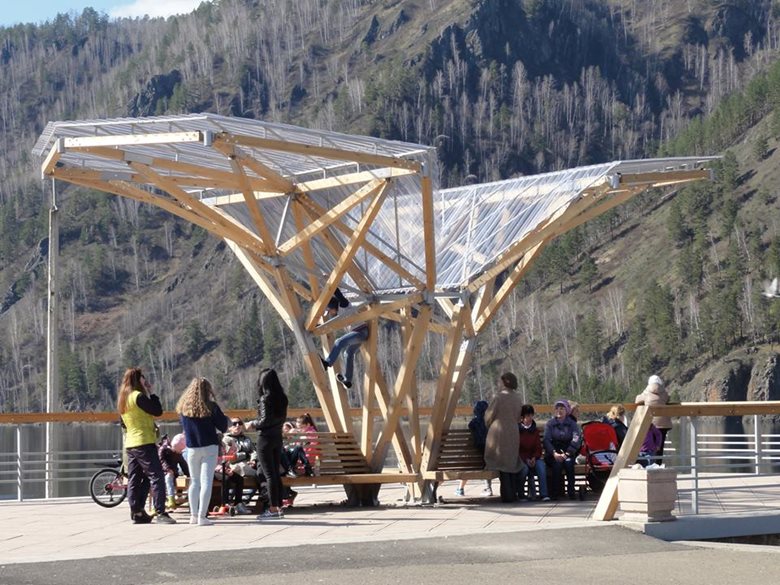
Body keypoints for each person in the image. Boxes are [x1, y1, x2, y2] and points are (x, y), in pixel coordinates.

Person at [117, 367, 176, 524]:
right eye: (143, 377)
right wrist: (151, 392)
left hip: (131, 443)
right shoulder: (138, 396)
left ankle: (137, 511)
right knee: (157, 475)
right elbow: (157, 411)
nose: (145, 380)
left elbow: (122, 422)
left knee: (135, 478)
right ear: (138, 379)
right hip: (144, 441)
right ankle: (160, 512)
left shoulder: (123, 398)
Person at [176, 377, 228, 526]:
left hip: (192, 448)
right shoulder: (211, 406)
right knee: (206, 482)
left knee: (194, 481)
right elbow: (223, 426)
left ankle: (193, 515)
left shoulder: (184, 408)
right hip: (209, 446)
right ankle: (202, 516)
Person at [245, 368, 289, 520]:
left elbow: (264, 421)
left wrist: (253, 424)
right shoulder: (282, 398)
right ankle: (278, 507)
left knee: (268, 474)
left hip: (265, 439)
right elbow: (279, 419)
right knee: (275, 474)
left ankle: (272, 508)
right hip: (277, 437)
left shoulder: (265, 399)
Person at [484, 372, 527, 503]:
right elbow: (519, 416)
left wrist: (489, 423)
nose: (498, 383)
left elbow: (489, 416)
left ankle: (507, 495)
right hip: (513, 432)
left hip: (498, 433)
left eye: (500, 381)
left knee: (501, 464)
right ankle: (512, 493)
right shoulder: (518, 397)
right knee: (510, 463)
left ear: (505, 382)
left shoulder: (498, 397)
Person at [320, 288, 368, 389]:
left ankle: (328, 362)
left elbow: (338, 293)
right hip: (357, 335)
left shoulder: (344, 305)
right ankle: (348, 380)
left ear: (333, 306)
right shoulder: (339, 314)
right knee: (348, 353)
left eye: (329, 311)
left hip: (360, 332)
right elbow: (330, 324)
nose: (330, 313)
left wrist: (330, 282)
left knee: (339, 341)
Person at [543, 399, 582, 500]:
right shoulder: (550, 424)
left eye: (562, 409)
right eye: (557, 409)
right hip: (554, 452)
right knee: (557, 464)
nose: (559, 411)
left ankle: (571, 492)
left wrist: (568, 453)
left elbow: (576, 438)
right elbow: (546, 440)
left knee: (569, 463)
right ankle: (556, 493)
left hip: (568, 451)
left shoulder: (572, 423)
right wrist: (554, 453)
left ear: (567, 411)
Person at [455, 400, 493, 497]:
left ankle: (460, 488)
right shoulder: (491, 424)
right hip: (490, 459)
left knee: (467, 461)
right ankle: (488, 488)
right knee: (486, 461)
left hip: (472, 460)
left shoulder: (472, 424)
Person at [222, 417, 258, 515]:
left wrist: (253, 460)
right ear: (229, 427)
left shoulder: (246, 439)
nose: (238, 425)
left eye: (240, 423)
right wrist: (245, 455)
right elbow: (231, 457)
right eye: (234, 424)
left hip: (248, 464)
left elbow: (253, 451)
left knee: (261, 472)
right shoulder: (226, 439)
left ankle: (245, 500)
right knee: (246, 470)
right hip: (233, 465)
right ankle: (240, 502)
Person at [635, 374, 672, 463]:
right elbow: (668, 399)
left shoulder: (646, 392)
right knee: (660, 445)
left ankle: (650, 465)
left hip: (650, 424)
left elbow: (637, 400)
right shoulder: (664, 393)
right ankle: (658, 465)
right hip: (663, 424)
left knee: (649, 446)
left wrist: (644, 391)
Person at [518, 404, 549, 501]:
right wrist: (526, 459)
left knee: (541, 467)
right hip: (522, 459)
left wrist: (534, 458)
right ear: (522, 417)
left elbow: (538, 448)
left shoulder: (535, 431)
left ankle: (544, 494)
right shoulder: (517, 430)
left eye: (531, 415)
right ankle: (521, 494)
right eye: (528, 416)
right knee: (524, 470)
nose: (530, 418)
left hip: (534, 458)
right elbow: (517, 449)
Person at [158, 432, 189, 510]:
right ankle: (171, 498)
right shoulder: (163, 449)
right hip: (162, 472)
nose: (180, 452)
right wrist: (168, 469)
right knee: (169, 477)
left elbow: (183, 464)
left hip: (174, 473)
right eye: (180, 450)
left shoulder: (178, 453)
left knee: (180, 479)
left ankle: (182, 498)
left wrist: (188, 474)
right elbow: (161, 460)